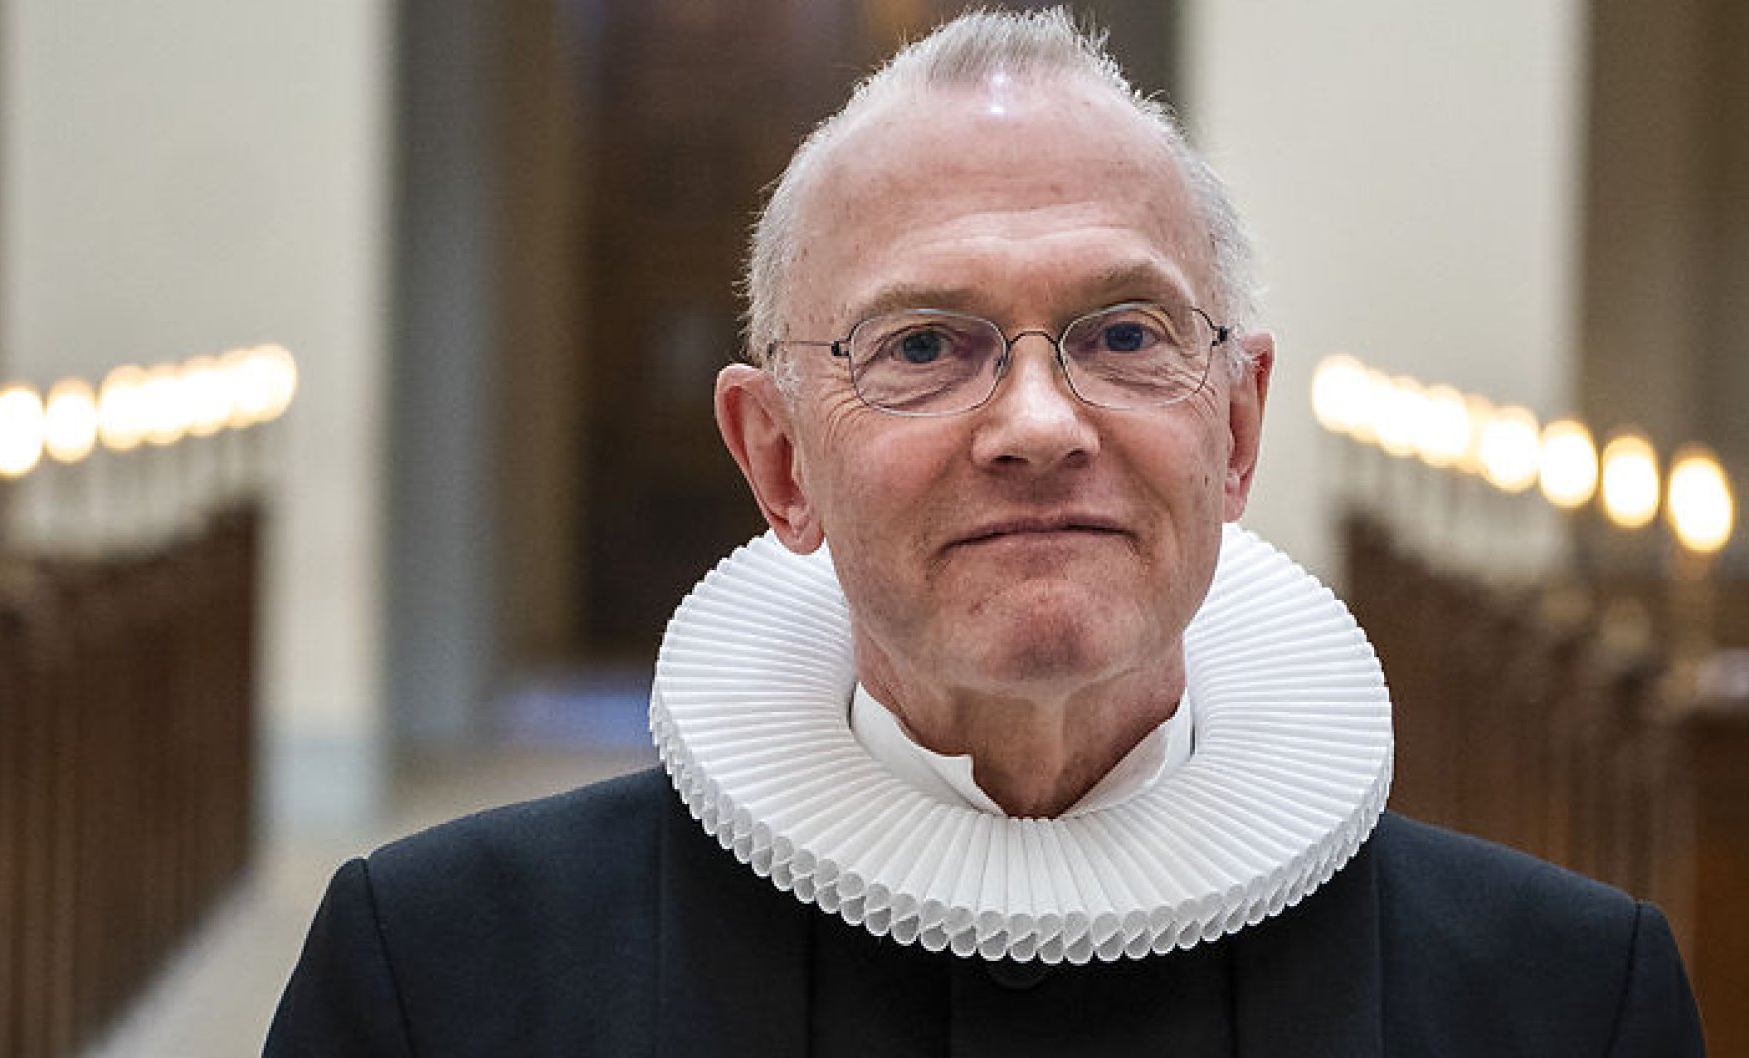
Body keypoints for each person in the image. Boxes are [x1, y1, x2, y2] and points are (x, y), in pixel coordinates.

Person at [266, 9, 1705, 1055]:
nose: (1037, 422)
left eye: (1126, 332)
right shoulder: (441, 977)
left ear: (1240, 430)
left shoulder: (1567, 998)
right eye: (924, 344)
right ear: (779, 459)